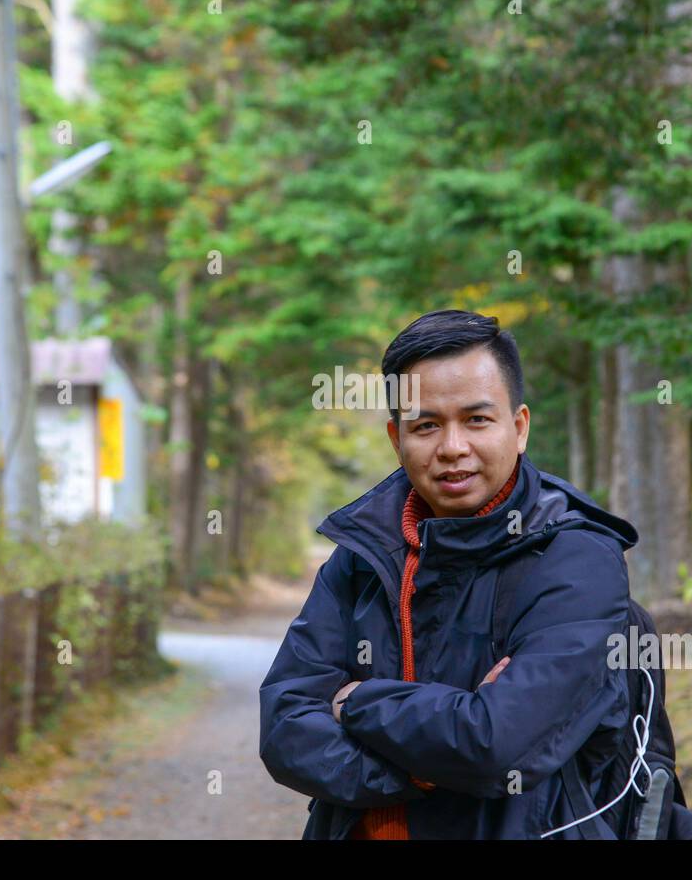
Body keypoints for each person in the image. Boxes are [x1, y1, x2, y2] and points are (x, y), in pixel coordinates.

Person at [258, 308, 640, 839]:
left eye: (477, 419)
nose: (452, 447)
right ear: (397, 438)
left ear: (519, 426)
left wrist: (355, 702)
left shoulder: (575, 558)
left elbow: (497, 745)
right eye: (427, 426)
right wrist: (428, 763)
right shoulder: (363, 556)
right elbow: (284, 728)